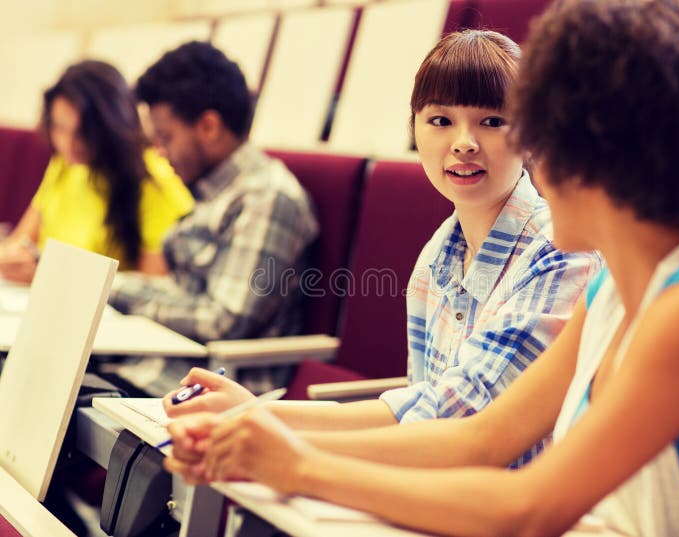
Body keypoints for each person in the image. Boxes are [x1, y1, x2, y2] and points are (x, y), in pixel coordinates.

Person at [164, 1, 679, 536]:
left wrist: (294, 465)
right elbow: (483, 438)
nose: (532, 159)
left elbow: (529, 509)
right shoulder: (617, 284)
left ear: (613, 153)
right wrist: (261, 423)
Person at [163, 29, 600, 467]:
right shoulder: (437, 254)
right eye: (440, 121)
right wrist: (252, 414)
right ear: (413, 129)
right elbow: (423, 406)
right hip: (433, 484)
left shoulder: (560, 250)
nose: (464, 142)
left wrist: (264, 419)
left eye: (492, 121)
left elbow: (462, 409)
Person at [107, 41, 318, 394]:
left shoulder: (267, 197)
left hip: (207, 390)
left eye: (165, 137)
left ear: (208, 126)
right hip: (157, 367)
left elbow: (222, 320)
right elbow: (185, 291)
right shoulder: (213, 191)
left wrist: (118, 293)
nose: (160, 152)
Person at [0, 60, 193, 283]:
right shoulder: (65, 163)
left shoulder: (153, 179)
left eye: (83, 132)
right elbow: (21, 240)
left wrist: (53, 274)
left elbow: (151, 288)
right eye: (60, 127)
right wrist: (14, 259)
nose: (69, 143)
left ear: (112, 126)